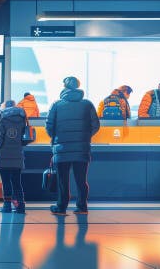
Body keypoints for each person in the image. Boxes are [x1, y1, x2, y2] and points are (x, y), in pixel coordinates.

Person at [46, 77, 100, 215]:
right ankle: (82, 207)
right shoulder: (87, 104)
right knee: (81, 180)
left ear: (64, 87)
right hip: (82, 149)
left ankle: (61, 207)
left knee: (62, 180)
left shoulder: (56, 105)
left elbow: (49, 126)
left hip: (61, 149)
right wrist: (85, 137)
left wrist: (56, 138)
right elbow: (95, 125)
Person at [0, 100, 29, 214]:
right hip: (17, 154)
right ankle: (21, 206)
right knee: (17, 182)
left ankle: (7, 206)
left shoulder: (2, 117)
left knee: (6, 181)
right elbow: (25, 136)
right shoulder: (23, 117)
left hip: (4, 154)